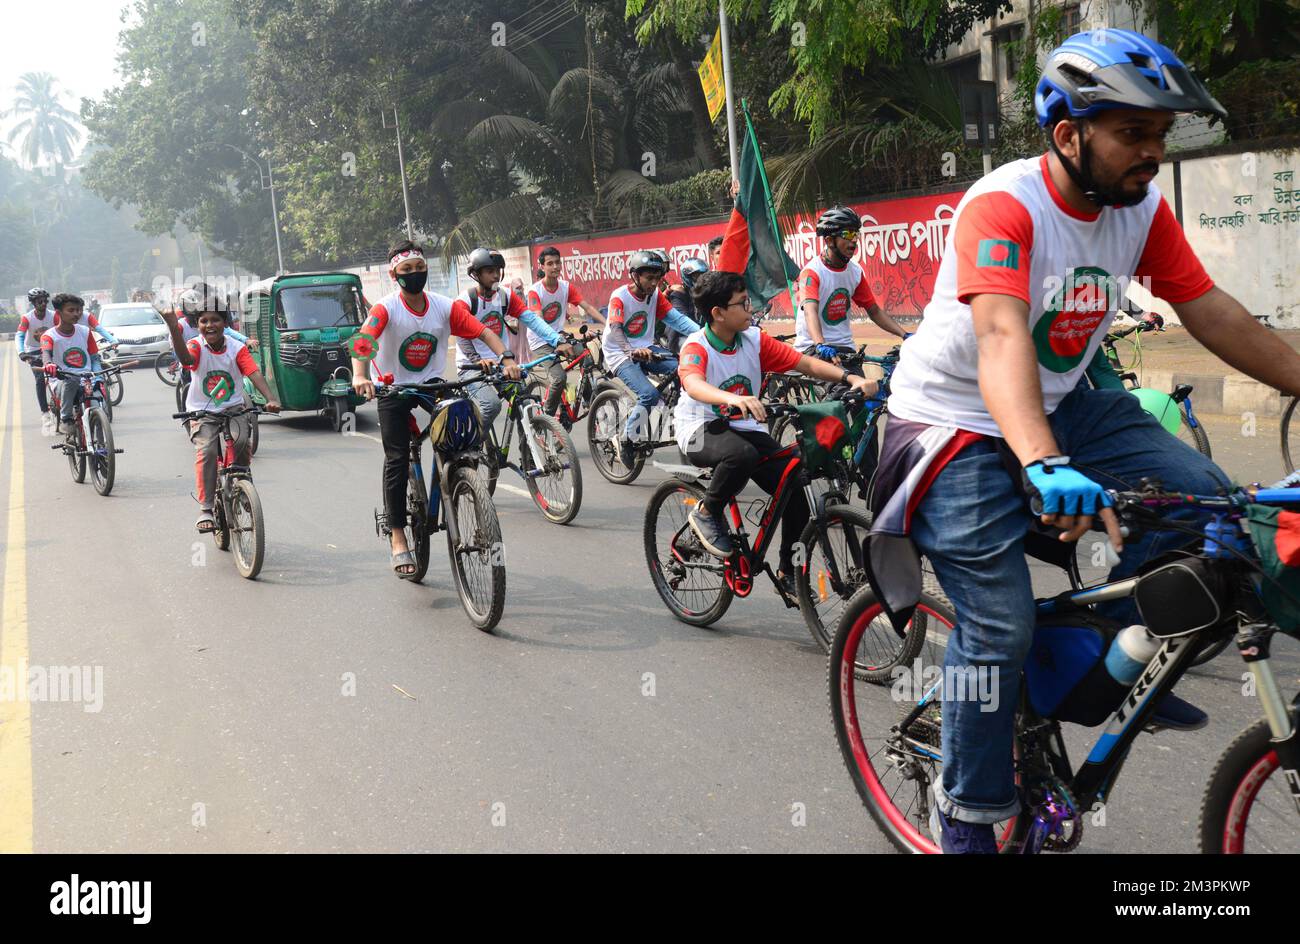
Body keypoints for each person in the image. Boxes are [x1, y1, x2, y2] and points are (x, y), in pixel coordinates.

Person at [876, 28, 1300, 853]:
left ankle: (1110, 662)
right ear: (1069, 135)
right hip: (953, 420)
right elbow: (1001, 336)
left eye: (1160, 136)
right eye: (1133, 134)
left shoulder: (1139, 210)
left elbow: (1211, 311)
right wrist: (1042, 461)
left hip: (1064, 402)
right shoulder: (1004, 206)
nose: (1152, 153)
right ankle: (965, 816)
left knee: (1217, 516)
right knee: (994, 629)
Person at [676, 271, 874, 594]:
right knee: (742, 455)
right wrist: (732, 398)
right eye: (742, 303)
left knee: (795, 481)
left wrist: (849, 379)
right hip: (699, 427)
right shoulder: (697, 345)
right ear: (718, 313)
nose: (750, 308)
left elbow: (803, 363)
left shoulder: (753, 340)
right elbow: (693, 384)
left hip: (743, 426)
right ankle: (706, 512)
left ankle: (788, 572)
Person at [350, 241, 521, 577]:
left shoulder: (443, 306)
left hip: (432, 384)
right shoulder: (385, 308)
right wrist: (359, 376)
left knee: (460, 438)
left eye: (419, 268)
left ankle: (461, 482)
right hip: (392, 387)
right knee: (397, 458)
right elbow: (362, 343)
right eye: (406, 270)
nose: (415, 274)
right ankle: (398, 535)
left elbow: (483, 331)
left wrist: (508, 357)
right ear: (394, 274)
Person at [160, 282, 281, 533]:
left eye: (215, 320)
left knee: (240, 443)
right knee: (206, 453)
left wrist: (271, 398)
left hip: (233, 409)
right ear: (197, 325)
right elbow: (185, 360)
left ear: (224, 323)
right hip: (202, 413)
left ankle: (242, 483)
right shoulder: (195, 346)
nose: (209, 325)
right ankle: (205, 508)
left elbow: (254, 373)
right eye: (203, 321)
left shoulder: (236, 348)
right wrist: (173, 328)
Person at [452, 248, 572, 436]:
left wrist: (558, 340)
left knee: (525, 406)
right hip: (471, 367)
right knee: (491, 406)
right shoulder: (465, 301)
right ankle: (472, 445)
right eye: (490, 271)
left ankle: (531, 457)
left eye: (498, 271)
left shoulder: (505, 296)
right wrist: (477, 360)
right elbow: (460, 334)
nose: (495, 276)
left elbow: (531, 319)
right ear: (476, 274)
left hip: (502, 362)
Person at [601, 250, 702, 466]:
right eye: (649, 277)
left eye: (658, 278)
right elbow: (616, 328)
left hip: (646, 348)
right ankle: (626, 439)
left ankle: (674, 416)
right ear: (635, 276)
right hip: (619, 354)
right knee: (648, 394)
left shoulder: (655, 296)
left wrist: (706, 335)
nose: (654, 283)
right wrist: (629, 350)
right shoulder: (619, 297)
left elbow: (678, 320)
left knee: (684, 371)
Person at [794, 204, 910, 362]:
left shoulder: (855, 272)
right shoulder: (812, 272)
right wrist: (820, 344)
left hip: (845, 347)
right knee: (843, 386)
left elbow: (874, 310)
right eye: (847, 234)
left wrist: (905, 335)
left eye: (856, 234)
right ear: (829, 240)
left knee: (867, 386)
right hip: (813, 349)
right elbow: (810, 311)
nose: (854, 240)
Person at [527, 245, 605, 416]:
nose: (555, 267)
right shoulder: (535, 291)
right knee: (559, 378)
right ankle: (547, 419)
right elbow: (538, 320)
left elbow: (588, 308)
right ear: (542, 267)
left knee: (586, 358)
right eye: (550, 263)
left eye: (557, 263)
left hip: (560, 337)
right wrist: (557, 340)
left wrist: (609, 325)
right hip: (540, 341)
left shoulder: (565, 287)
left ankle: (588, 401)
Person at [38, 294, 99, 439]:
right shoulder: (48, 336)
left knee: (99, 402)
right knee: (71, 380)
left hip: (85, 379)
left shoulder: (85, 331)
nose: (76, 314)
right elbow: (46, 353)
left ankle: (100, 443)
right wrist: (49, 364)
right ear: (58, 313)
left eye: (78, 310)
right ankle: (66, 419)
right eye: (71, 310)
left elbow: (94, 359)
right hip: (62, 380)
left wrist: (98, 376)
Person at [16, 288, 58, 433]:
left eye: (45, 300)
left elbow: (61, 330)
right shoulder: (27, 318)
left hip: (50, 348)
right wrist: (22, 352)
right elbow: (20, 336)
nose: (43, 303)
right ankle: (45, 413)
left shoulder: (54, 316)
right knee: (40, 379)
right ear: (33, 303)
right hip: (32, 350)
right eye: (39, 301)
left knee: (60, 375)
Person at [663, 257, 709, 353]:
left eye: (703, 275)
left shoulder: (708, 292)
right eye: (697, 276)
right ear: (687, 277)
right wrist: (706, 334)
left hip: (704, 335)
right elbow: (682, 318)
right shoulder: (679, 293)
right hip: (680, 337)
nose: (701, 279)